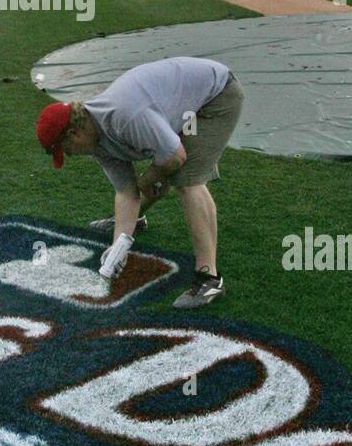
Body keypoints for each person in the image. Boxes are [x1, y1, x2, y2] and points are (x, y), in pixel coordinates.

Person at [35, 56, 244, 308]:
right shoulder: (95, 140)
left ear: (74, 133)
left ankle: (209, 277)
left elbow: (174, 157)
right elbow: (126, 192)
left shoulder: (124, 116)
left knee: (187, 181)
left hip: (215, 95)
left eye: (66, 148)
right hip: (179, 101)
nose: (69, 154)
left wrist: (148, 179)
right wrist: (117, 245)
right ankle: (136, 221)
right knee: (162, 170)